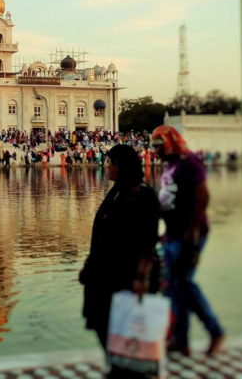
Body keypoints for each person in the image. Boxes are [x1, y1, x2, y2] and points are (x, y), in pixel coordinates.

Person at [150, 125, 225, 357]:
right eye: (154, 147)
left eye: (159, 146)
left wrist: (192, 232)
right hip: (173, 233)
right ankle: (181, 339)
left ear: (170, 143)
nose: (156, 151)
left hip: (189, 234)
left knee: (183, 283)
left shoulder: (189, 162)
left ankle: (215, 331)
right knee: (174, 286)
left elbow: (202, 196)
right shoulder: (171, 164)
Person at [79, 144, 159, 353]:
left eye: (110, 163)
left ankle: (125, 370)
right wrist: (89, 265)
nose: (107, 168)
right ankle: (118, 368)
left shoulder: (143, 195)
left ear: (121, 166)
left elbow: (148, 241)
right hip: (104, 276)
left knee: (124, 333)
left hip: (125, 277)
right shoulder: (117, 192)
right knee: (104, 327)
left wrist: (141, 278)